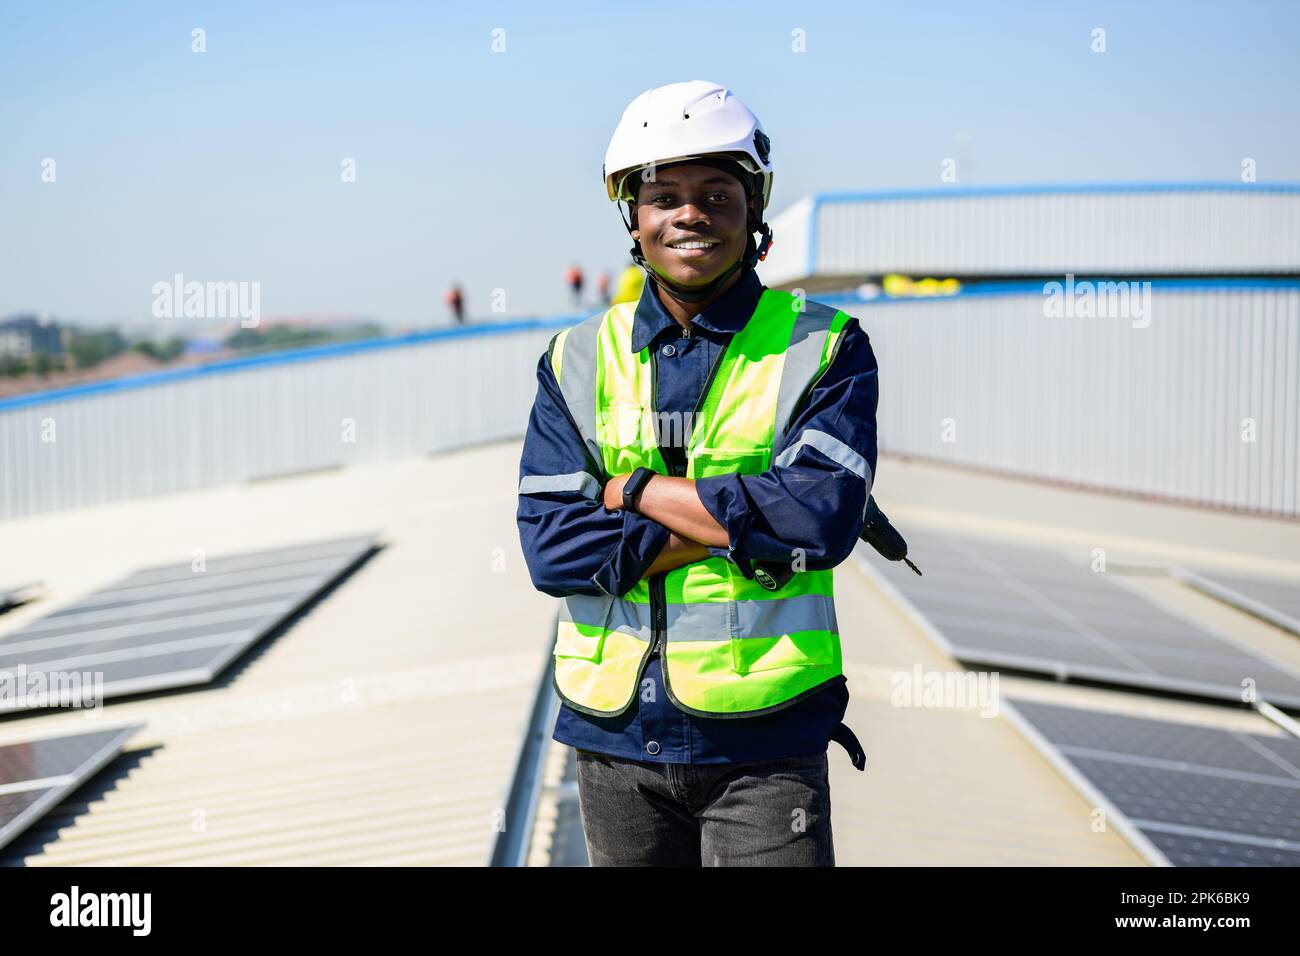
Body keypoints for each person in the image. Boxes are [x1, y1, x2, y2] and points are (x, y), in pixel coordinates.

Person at [516, 80, 879, 866]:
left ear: (753, 211)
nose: (691, 214)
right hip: (614, 744)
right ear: (634, 219)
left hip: (766, 747)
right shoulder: (575, 359)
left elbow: (818, 521)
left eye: (717, 194)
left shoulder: (826, 347)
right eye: (664, 197)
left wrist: (637, 491)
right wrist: (740, 526)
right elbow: (552, 550)